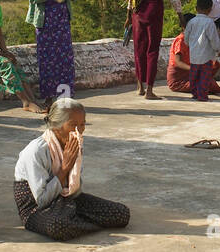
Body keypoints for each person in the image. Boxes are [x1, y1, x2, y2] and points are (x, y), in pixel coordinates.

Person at [13, 98, 131, 241]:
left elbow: (75, 190)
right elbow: (42, 200)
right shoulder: (36, 150)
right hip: (36, 207)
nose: (79, 130)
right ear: (56, 127)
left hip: (67, 199)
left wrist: (73, 164)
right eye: (73, 125)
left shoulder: (74, 144)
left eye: (82, 124)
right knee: (58, 226)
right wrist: (65, 168)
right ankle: (76, 220)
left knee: (121, 214)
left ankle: (74, 220)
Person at [126, 0, 184, 100]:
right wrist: (181, 17)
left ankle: (139, 86)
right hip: (155, 8)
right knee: (152, 49)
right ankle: (150, 90)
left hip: (138, 9)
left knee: (139, 48)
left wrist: (128, 16)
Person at [27, 0, 79, 106]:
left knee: (64, 58)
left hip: (62, 17)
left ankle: (65, 95)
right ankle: (49, 97)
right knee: (47, 59)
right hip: (45, 19)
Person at [181, 0, 220, 101]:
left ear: (196, 8)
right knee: (204, 77)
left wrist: (189, 45)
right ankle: (202, 95)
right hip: (206, 56)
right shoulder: (209, 23)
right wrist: (218, 49)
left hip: (194, 55)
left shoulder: (191, 22)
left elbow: (186, 37)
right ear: (210, 9)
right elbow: (214, 39)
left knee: (194, 76)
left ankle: (195, 93)